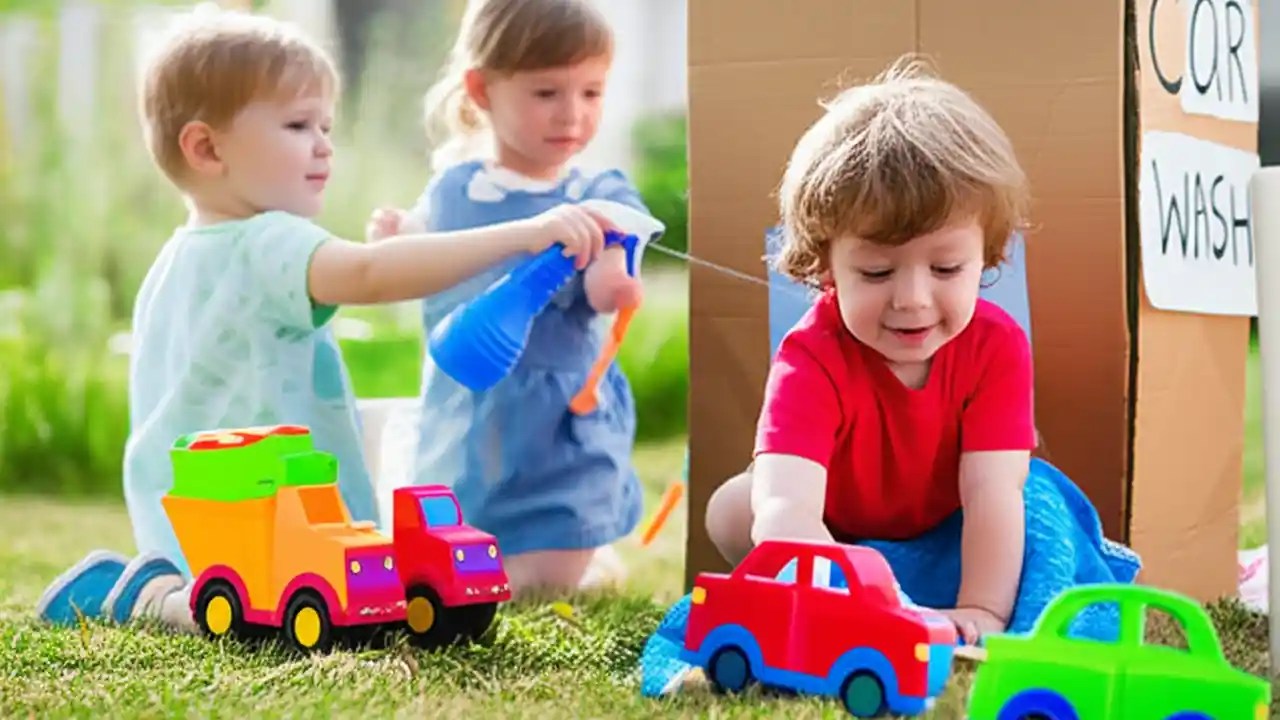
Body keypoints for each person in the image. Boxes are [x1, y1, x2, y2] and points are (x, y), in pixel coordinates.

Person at [36, 6, 613, 631]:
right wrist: (523, 235)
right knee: (273, 615)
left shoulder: (177, 259)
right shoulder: (270, 243)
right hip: (266, 519)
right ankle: (146, 601)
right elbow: (371, 273)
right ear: (206, 148)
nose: (323, 145)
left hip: (189, 511)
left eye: (326, 126)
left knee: (286, 604)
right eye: (297, 124)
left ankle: (154, 584)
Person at [704, 56, 1050, 644]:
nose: (912, 299)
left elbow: (992, 492)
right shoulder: (812, 356)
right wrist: (867, 605)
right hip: (837, 535)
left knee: (1040, 505)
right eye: (876, 271)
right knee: (734, 507)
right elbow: (786, 506)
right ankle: (819, 595)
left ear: (988, 256)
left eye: (945, 267)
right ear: (824, 268)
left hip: (952, 526)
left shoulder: (997, 346)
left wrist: (983, 613)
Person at [368, 0, 659, 596]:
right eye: (547, 92)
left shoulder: (601, 192)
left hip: (559, 416)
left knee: (547, 565)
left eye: (591, 92)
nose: (572, 115)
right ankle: (516, 569)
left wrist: (617, 272)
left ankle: (563, 567)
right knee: (464, 528)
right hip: (471, 410)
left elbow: (610, 291)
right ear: (482, 90)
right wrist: (396, 239)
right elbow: (411, 268)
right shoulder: (454, 190)